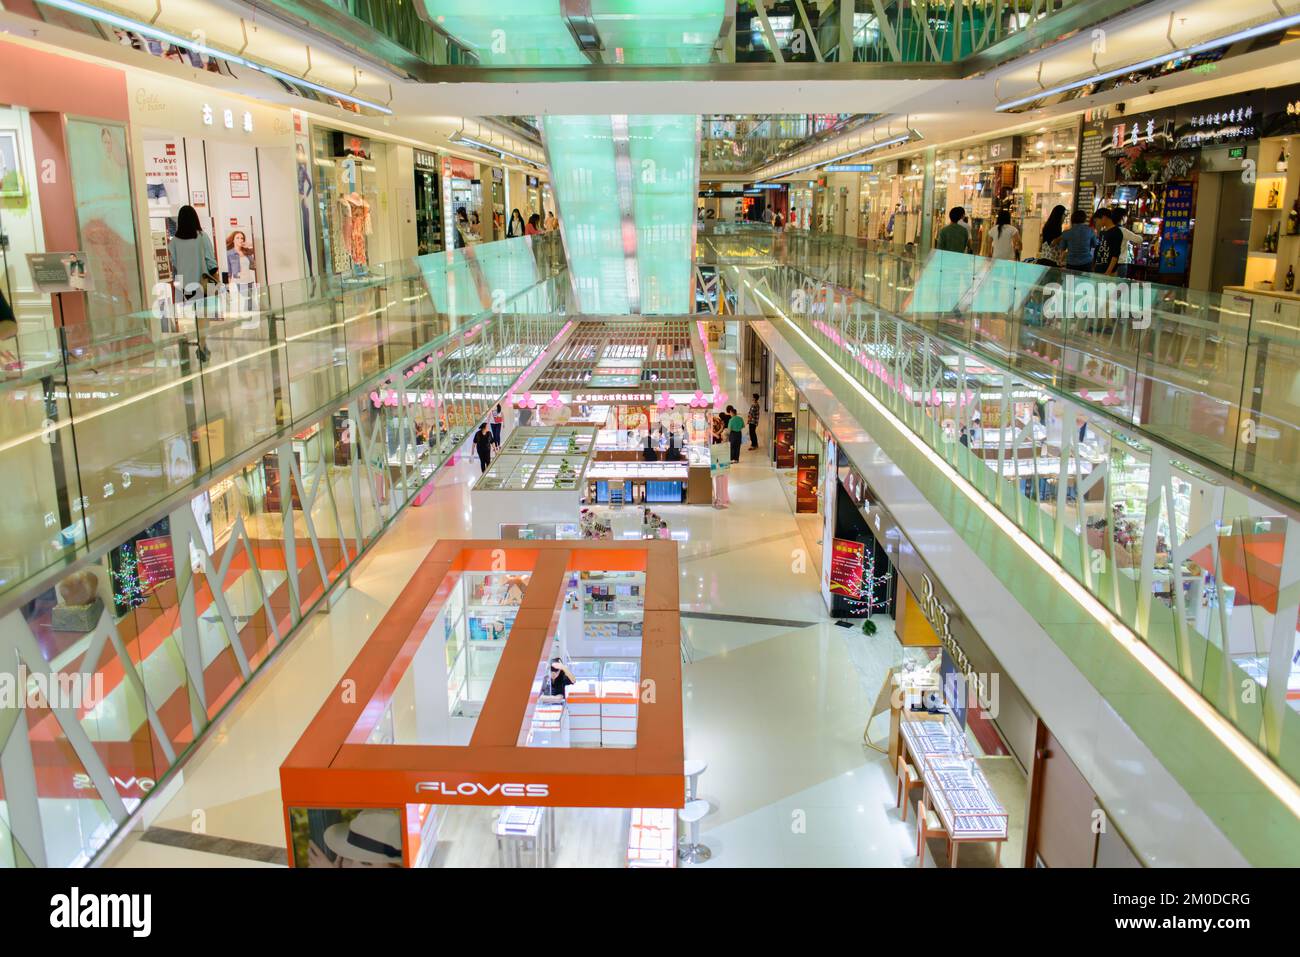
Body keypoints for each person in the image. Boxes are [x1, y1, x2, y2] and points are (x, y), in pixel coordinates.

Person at [168, 204, 218, 305]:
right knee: (204, 316)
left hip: (185, 289)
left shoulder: (173, 243)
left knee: (190, 318)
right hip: (204, 285)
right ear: (195, 218)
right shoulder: (202, 236)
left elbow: (175, 267)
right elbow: (211, 264)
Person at [1092, 208, 1123, 276]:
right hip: (1098, 269)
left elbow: (1115, 254)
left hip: (1108, 272)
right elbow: (1098, 250)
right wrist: (1094, 266)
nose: (1097, 222)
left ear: (1104, 217)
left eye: (1097, 220)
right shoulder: (1102, 232)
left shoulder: (1116, 232)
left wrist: (1108, 272)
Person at [1112, 208, 1142, 278]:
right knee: (1120, 286)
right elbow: (1139, 239)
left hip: (1110, 263)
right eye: (1126, 216)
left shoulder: (1109, 229)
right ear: (1123, 217)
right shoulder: (1123, 231)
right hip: (1121, 263)